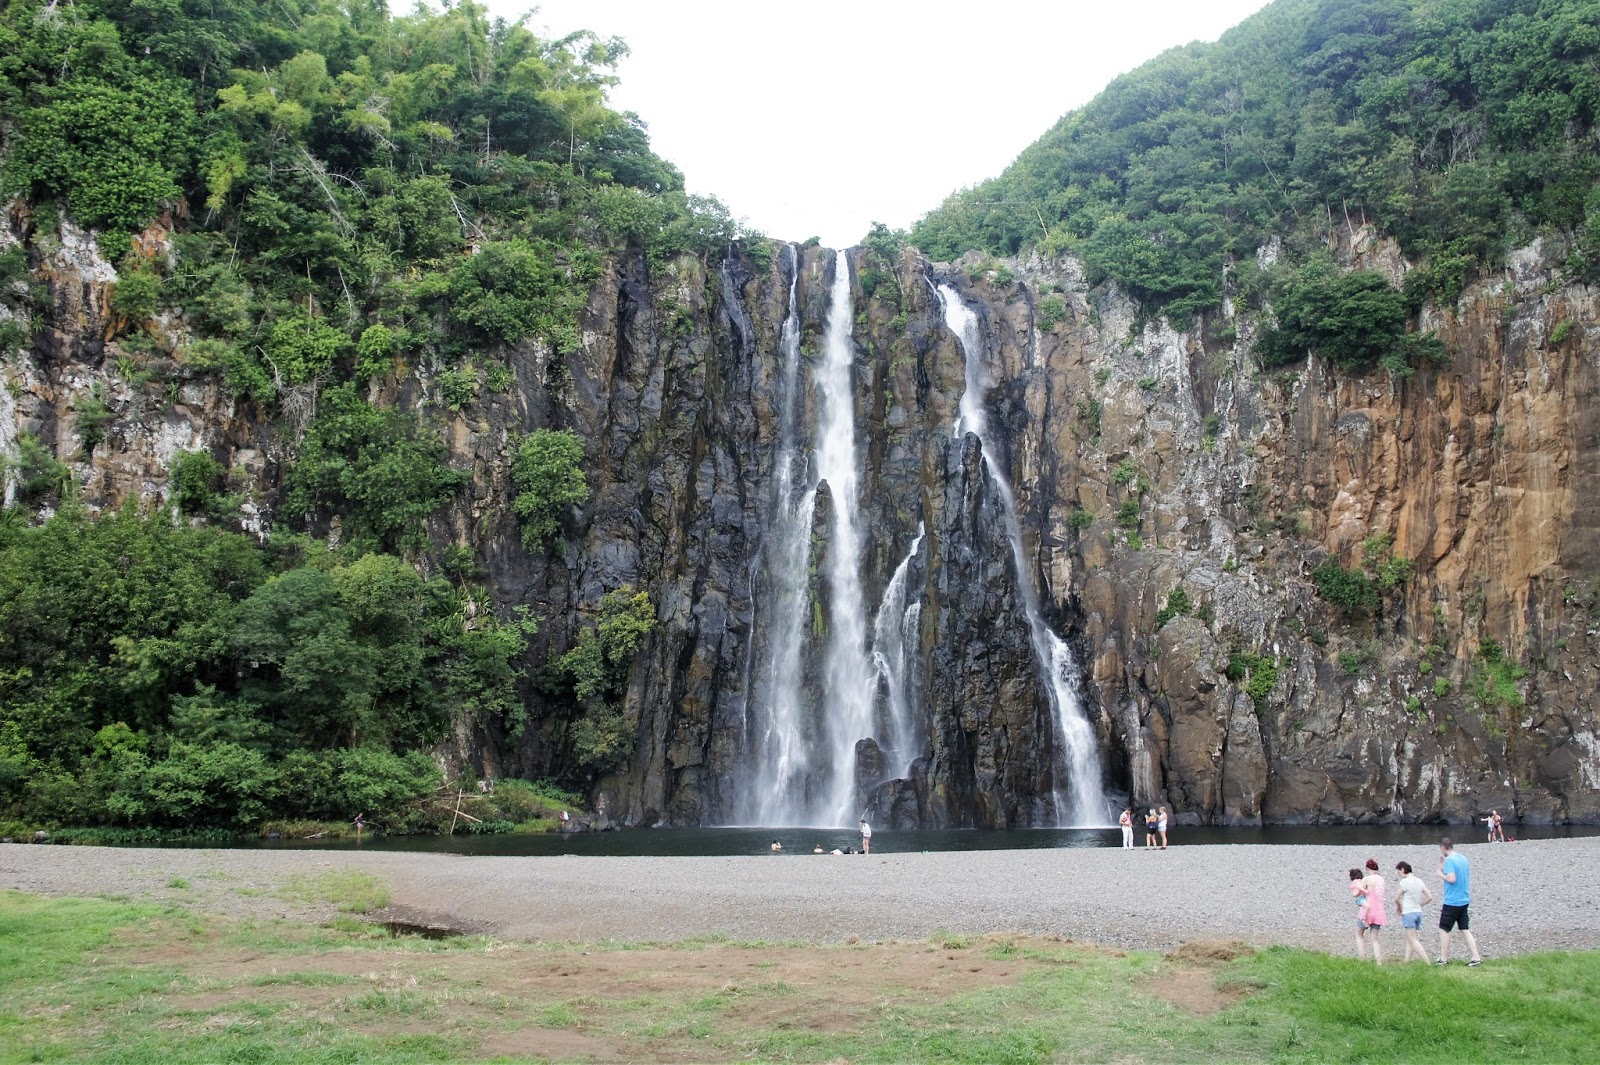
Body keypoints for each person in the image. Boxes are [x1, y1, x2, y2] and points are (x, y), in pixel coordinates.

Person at [1437, 837, 1483, 966]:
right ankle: (1476, 957)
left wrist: (1439, 873)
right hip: (1464, 899)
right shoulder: (1463, 858)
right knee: (1464, 928)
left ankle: (1443, 959)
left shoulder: (1450, 861)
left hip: (1452, 901)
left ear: (1443, 847)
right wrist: (1443, 864)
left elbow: (1451, 879)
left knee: (1444, 929)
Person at [1394, 860, 1434, 962]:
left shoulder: (1405, 882)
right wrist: (1420, 904)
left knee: (1413, 939)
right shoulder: (1419, 881)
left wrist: (1399, 907)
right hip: (1418, 912)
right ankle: (1406, 961)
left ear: (1403, 870)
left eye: (1399, 872)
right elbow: (1429, 897)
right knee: (1410, 938)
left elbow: (1396, 898)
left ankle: (1427, 962)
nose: (1399, 875)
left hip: (1409, 912)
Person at [1358, 857, 1386, 965]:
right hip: (1379, 912)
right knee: (1374, 938)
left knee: (1359, 934)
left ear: (1367, 868)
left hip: (1367, 911)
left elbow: (1358, 890)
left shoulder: (1367, 878)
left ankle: (1362, 959)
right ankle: (1379, 963)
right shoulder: (1381, 880)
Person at [1349, 868, 1370, 960]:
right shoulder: (1363, 881)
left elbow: (1355, 893)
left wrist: (1358, 892)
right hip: (1371, 909)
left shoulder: (1356, 882)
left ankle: (1362, 957)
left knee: (1358, 934)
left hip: (1361, 904)